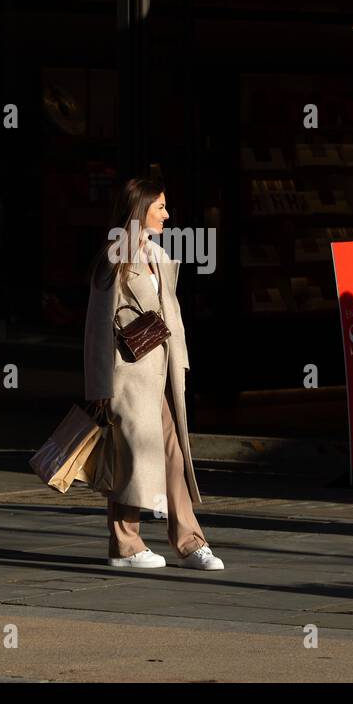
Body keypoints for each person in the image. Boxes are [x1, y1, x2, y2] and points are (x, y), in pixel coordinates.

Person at [83, 177, 224, 570]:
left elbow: (170, 312)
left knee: (172, 455)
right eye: (160, 206)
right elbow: (97, 326)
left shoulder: (157, 254)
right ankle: (126, 544)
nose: (166, 213)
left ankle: (188, 540)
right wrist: (98, 386)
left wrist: (180, 360)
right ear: (140, 208)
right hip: (126, 377)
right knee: (128, 457)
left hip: (160, 374)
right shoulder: (116, 257)